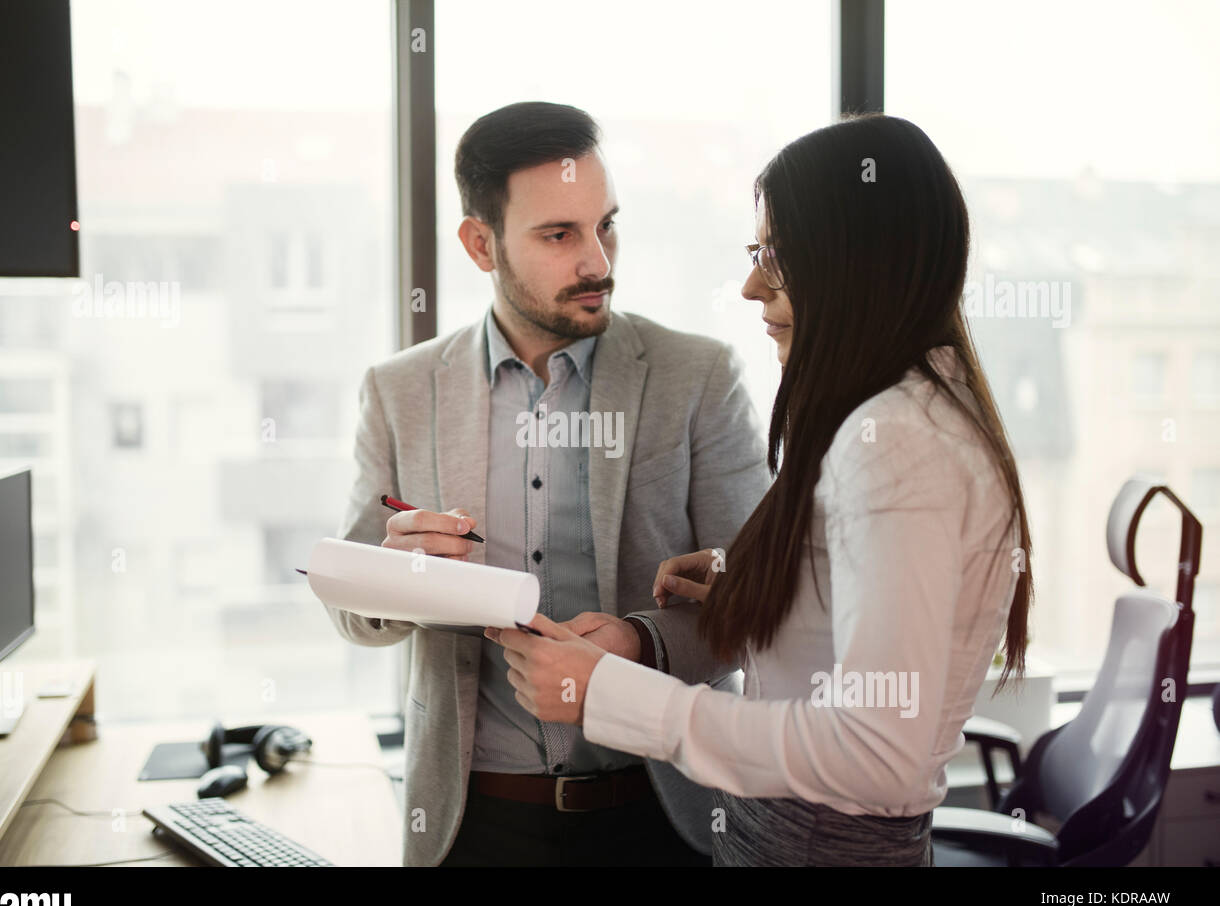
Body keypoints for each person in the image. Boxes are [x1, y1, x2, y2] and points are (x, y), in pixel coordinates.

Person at [487, 113, 1035, 867]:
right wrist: (776, 584)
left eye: (775, 257)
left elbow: (874, 754)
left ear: (854, 262)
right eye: (756, 254)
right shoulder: (900, 417)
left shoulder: (897, 442)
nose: (751, 286)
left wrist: (607, 694)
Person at [324, 101, 771, 866]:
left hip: (664, 815)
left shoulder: (699, 378)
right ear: (479, 244)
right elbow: (352, 611)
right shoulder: (398, 391)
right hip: (475, 825)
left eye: (607, 225)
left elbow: (759, 600)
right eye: (559, 235)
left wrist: (641, 644)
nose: (598, 262)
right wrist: (396, 578)